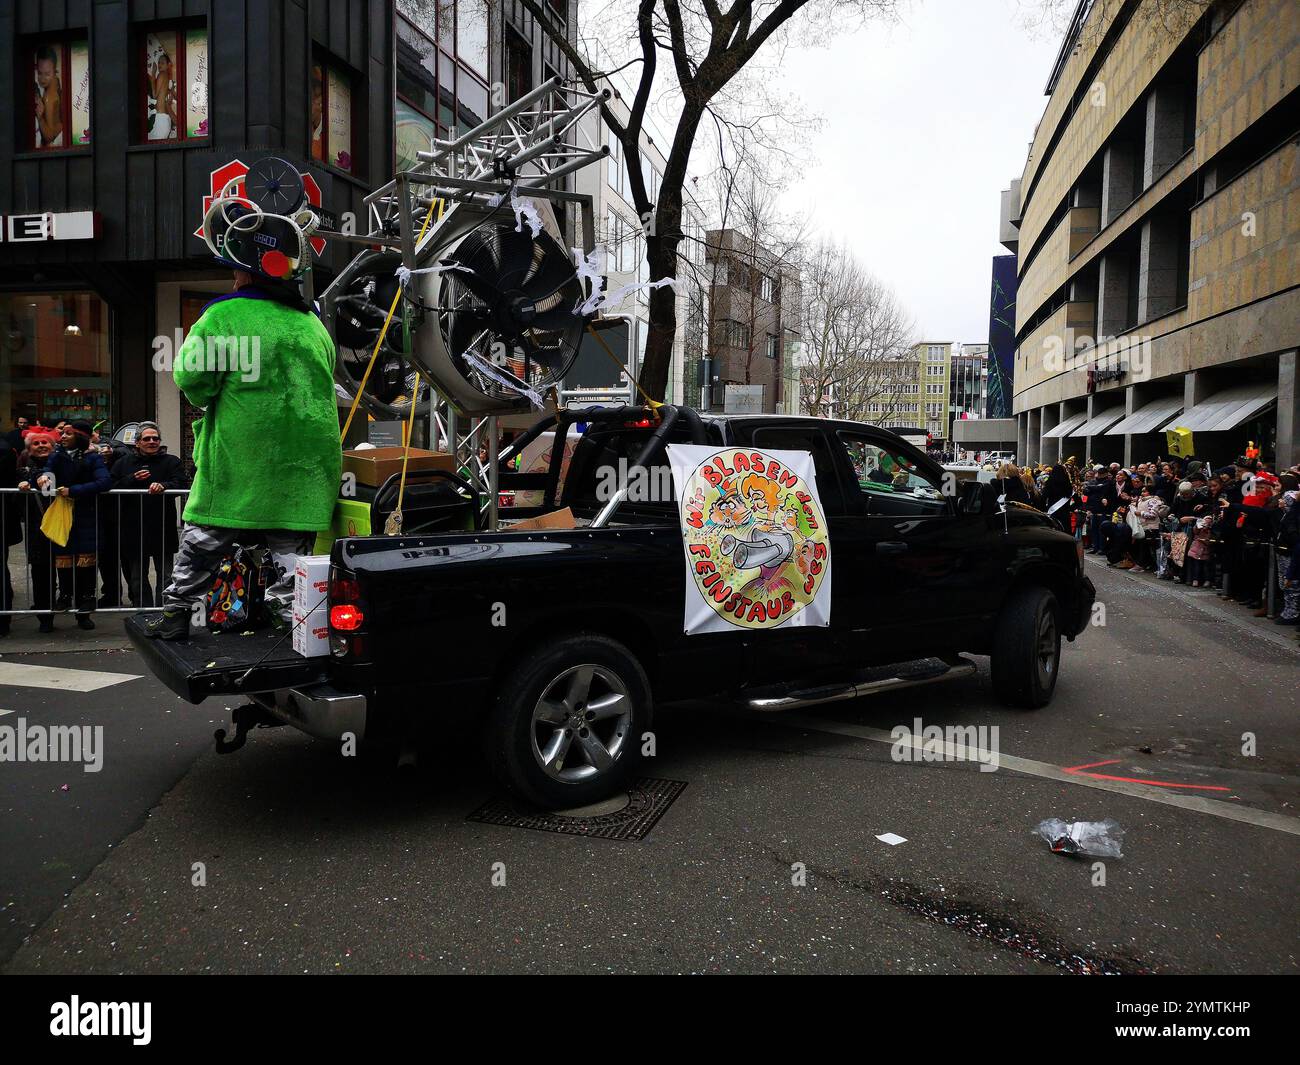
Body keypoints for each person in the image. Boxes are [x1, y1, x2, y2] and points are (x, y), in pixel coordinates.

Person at [146, 169, 340, 639]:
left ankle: (175, 616)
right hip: (308, 463)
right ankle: (290, 628)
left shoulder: (224, 315)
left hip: (242, 459)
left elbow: (192, 378)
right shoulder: (313, 323)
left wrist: (210, 397)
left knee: (206, 537)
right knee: (290, 553)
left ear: (243, 269)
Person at [40, 421, 110, 628]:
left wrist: (74, 491)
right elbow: (47, 471)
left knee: (85, 563)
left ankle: (84, 609)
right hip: (62, 514)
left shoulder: (93, 458)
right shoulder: (56, 455)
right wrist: (43, 478)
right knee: (63, 559)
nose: (62, 436)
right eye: (62, 433)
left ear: (79, 436)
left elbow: (104, 482)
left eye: (68, 434)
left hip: (85, 515)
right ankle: (65, 595)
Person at [114, 422, 187, 607]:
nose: (152, 441)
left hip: (163, 527)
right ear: (137, 443)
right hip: (134, 528)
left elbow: (181, 483)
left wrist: (164, 486)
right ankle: (144, 611)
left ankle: (165, 610)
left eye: (155, 438)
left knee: (166, 576)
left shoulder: (172, 461)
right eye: (147, 439)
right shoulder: (124, 463)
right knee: (137, 577)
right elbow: (110, 485)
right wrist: (132, 479)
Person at [35, 45, 63, 148]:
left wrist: (40, 117)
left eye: (47, 74)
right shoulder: (56, 82)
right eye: (39, 73)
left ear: (55, 70)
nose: (42, 79)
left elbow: (49, 136)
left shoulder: (49, 98)